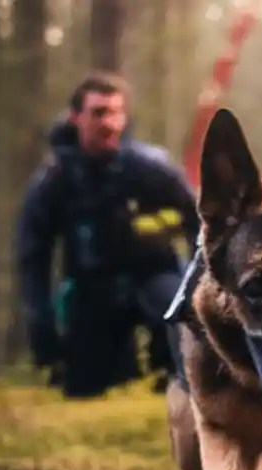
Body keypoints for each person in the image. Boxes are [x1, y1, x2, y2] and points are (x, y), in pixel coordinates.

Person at [16, 71, 200, 398]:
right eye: (98, 113)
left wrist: (199, 288)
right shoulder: (55, 181)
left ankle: (171, 365)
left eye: (116, 113)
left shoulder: (150, 167)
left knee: (176, 317)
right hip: (93, 290)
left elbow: (200, 222)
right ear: (76, 118)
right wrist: (42, 328)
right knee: (84, 386)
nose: (109, 123)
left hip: (155, 276)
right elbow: (33, 257)